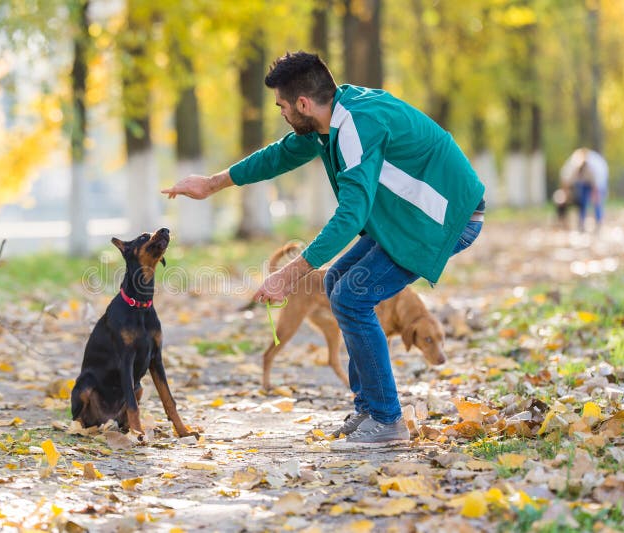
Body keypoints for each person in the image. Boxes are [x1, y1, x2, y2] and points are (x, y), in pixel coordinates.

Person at [162, 52, 485, 448]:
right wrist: (212, 184)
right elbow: (281, 154)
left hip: (442, 219)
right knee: (337, 284)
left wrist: (289, 274)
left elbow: (350, 216)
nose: (281, 113)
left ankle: (387, 420)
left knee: (352, 297)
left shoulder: (355, 127)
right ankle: (369, 409)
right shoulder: (330, 119)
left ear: (302, 103)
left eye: (281, 106)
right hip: (411, 216)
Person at [559, 147, 608, 231]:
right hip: (584, 182)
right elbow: (565, 181)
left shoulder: (594, 169)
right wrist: (565, 194)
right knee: (583, 201)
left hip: (596, 182)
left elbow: (596, 185)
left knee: (597, 202)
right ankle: (581, 223)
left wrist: (595, 194)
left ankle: (598, 222)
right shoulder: (572, 167)